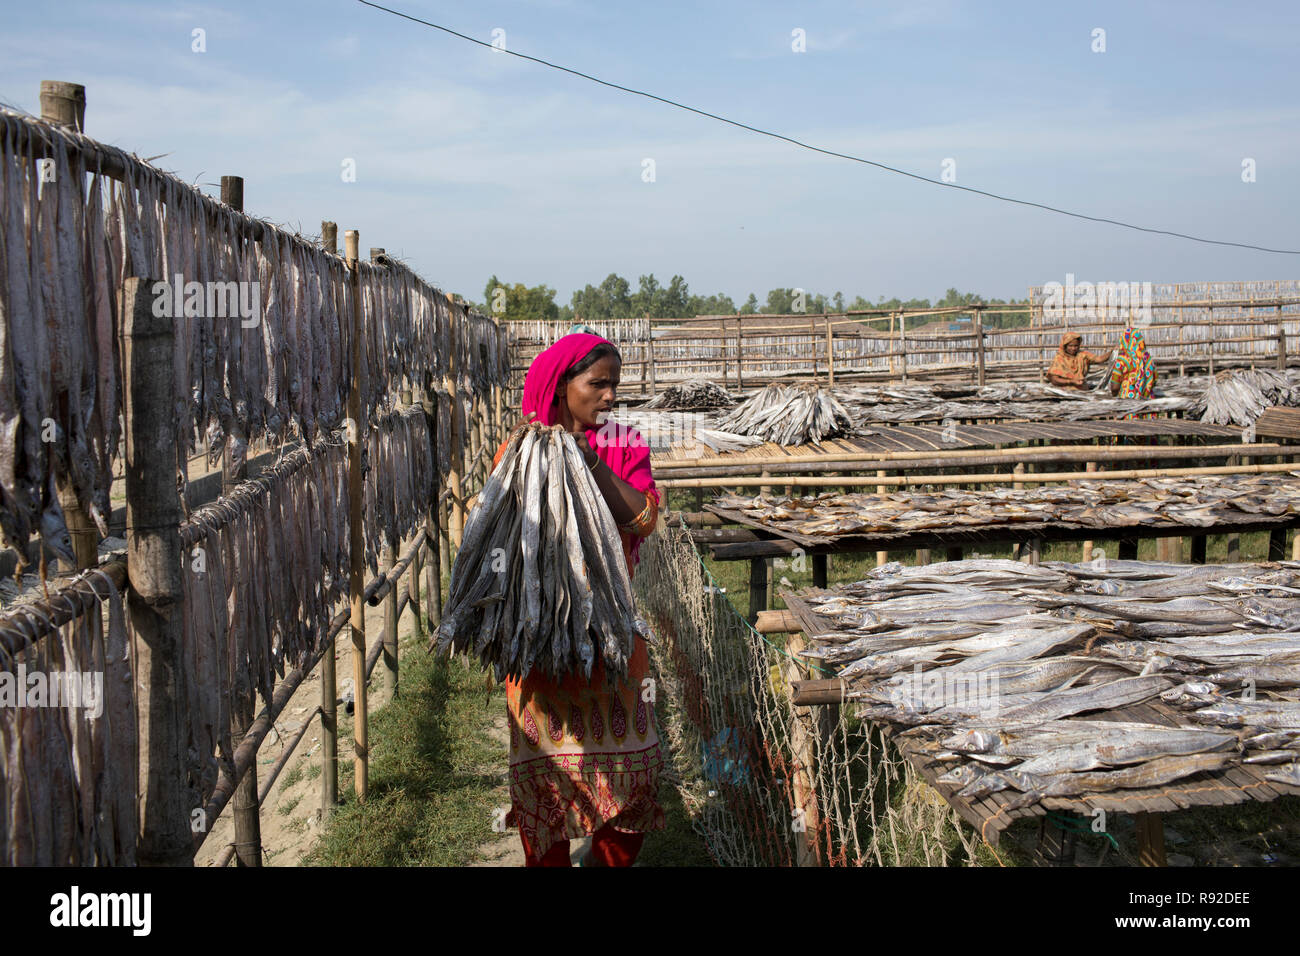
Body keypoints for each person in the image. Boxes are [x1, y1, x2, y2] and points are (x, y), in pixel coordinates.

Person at [493, 332, 664, 867]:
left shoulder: (623, 446)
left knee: (636, 781)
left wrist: (587, 461)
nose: (611, 395)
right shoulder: (517, 453)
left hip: (613, 641)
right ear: (562, 386)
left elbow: (644, 517)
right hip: (540, 649)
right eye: (598, 383)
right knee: (544, 788)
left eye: (615, 384)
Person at [1109, 327, 1158, 419]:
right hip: (1148, 404)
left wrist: (1114, 395)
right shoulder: (1148, 359)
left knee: (1130, 430)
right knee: (1148, 431)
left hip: (1128, 404)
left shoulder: (1122, 359)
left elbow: (1115, 386)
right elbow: (1154, 380)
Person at [1046, 332, 1112, 389]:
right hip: (1064, 391)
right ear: (1065, 346)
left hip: (1082, 389)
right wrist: (1071, 381)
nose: (1073, 348)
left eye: (1076, 346)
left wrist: (1112, 351)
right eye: (1070, 346)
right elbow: (1054, 379)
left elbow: (1099, 359)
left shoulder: (1083, 355)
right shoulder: (1060, 358)